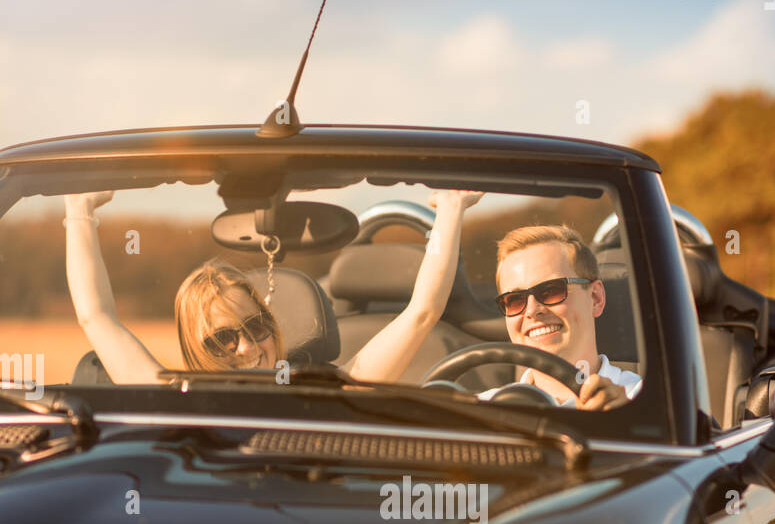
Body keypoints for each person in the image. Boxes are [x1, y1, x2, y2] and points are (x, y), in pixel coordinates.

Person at [63, 189, 482, 384]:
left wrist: (450, 210)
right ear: (195, 349)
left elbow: (421, 313)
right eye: (223, 340)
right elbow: (95, 317)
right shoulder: (175, 397)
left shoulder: (328, 390)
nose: (246, 347)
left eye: (255, 326)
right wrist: (79, 210)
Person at [480, 223, 642, 409]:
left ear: (595, 298)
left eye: (551, 291)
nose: (532, 310)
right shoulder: (482, 411)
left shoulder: (647, 403)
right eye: (515, 300)